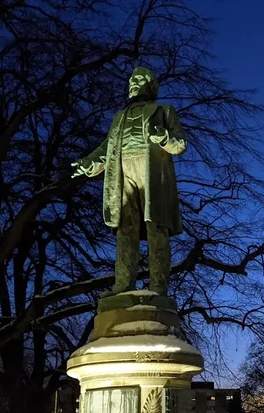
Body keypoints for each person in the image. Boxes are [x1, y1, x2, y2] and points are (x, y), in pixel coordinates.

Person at [72, 67, 187, 296]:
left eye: (139, 79)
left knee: (156, 228)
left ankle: (158, 287)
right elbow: (108, 147)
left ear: (151, 84)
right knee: (125, 230)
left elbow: (180, 144)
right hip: (122, 174)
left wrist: (164, 137)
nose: (133, 83)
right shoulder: (119, 117)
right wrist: (90, 163)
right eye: (131, 80)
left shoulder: (164, 110)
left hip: (151, 173)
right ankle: (123, 285)